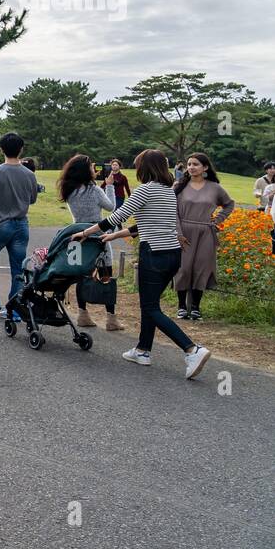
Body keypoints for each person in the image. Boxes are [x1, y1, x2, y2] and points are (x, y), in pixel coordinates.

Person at [76, 149, 211, 379]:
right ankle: (142, 350)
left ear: (145, 168)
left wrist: (85, 232)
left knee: (150, 307)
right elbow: (142, 226)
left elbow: (114, 218)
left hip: (154, 254)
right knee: (151, 305)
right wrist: (113, 237)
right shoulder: (168, 192)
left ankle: (191, 349)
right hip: (172, 255)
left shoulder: (145, 190)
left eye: (138, 166)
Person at [58, 153, 122, 332]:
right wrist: (109, 186)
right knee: (106, 273)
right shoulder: (94, 190)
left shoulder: (69, 189)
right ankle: (111, 319)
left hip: (77, 233)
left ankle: (82, 314)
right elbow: (111, 207)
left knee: (82, 276)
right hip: (98, 234)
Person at [0, 132, 38, 319]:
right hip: (21, 223)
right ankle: (14, 308)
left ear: (1, 149)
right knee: (18, 268)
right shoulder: (29, 174)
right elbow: (32, 199)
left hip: (0, 223)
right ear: (21, 150)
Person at [174, 152, 235, 321]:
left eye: (195, 164)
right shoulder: (179, 186)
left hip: (206, 233)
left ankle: (195, 308)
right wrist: (178, 232)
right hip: (183, 232)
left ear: (205, 167)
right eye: (189, 164)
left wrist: (218, 220)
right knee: (183, 269)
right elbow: (173, 212)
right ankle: (181, 307)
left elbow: (229, 204)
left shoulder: (214, 187)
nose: (191, 167)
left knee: (201, 269)